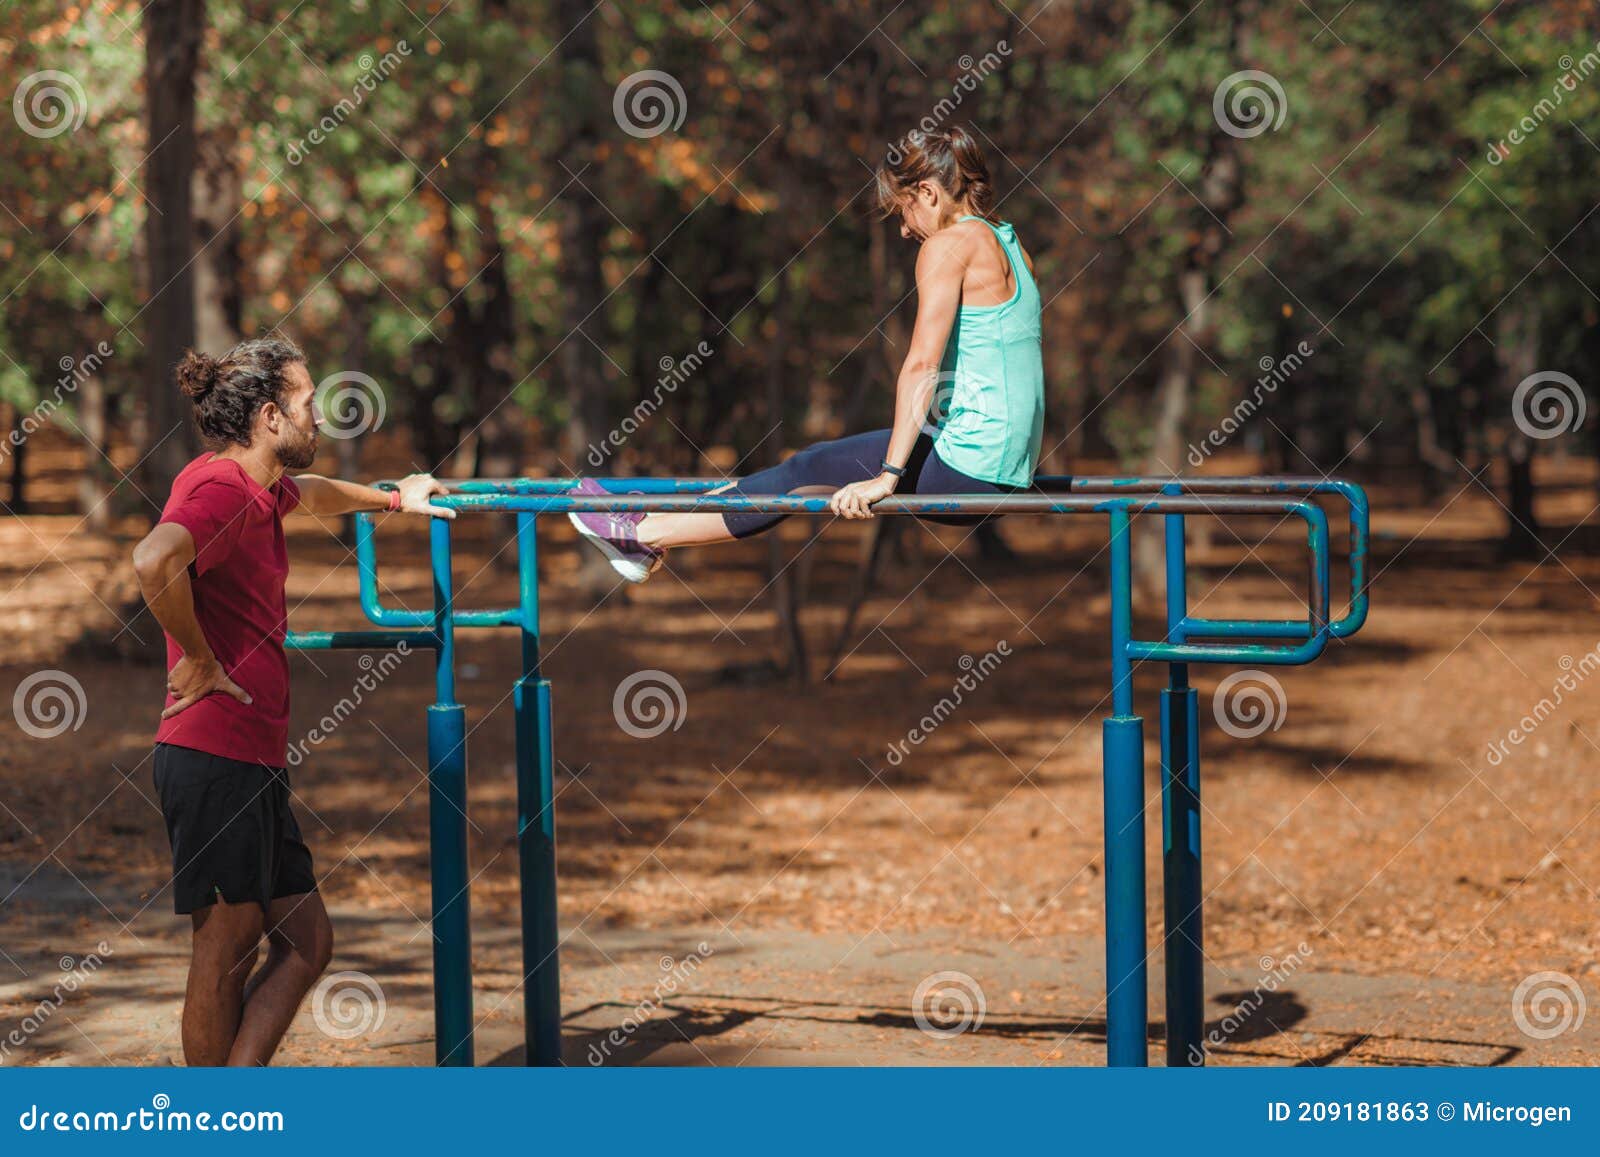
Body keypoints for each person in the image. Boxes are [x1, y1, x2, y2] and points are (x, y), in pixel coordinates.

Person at [132, 337, 451, 1065]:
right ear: (271, 416)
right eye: (309, 404)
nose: (320, 417)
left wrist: (395, 498)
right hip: (212, 754)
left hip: (253, 757)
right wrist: (199, 657)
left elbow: (318, 493)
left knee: (306, 941)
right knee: (226, 945)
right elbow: (152, 559)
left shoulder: (261, 486)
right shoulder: (220, 490)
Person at [569, 124, 1044, 582]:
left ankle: (643, 535)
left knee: (807, 470)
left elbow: (922, 364)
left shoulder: (949, 245)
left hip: (969, 468)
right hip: (1008, 468)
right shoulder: (1011, 245)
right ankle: (651, 523)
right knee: (811, 464)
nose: (904, 229)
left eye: (903, 210)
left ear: (928, 192)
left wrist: (888, 476)